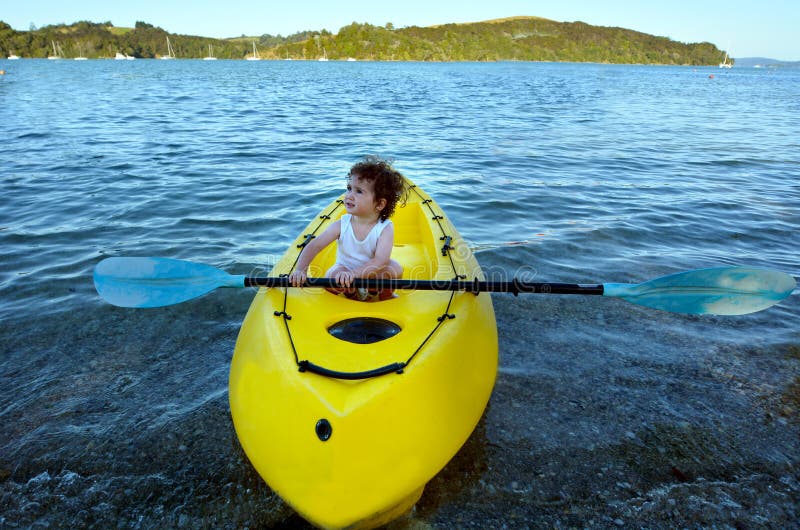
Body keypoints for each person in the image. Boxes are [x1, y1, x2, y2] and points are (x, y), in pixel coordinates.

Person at [289, 157, 407, 301]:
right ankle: (352, 294)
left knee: (394, 269)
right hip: (344, 269)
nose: (349, 195)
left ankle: (383, 296)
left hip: (372, 272)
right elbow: (314, 245)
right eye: (349, 188)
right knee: (332, 275)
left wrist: (355, 274)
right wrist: (300, 270)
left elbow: (380, 260)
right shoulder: (342, 224)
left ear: (380, 204)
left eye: (359, 191)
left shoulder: (385, 227)